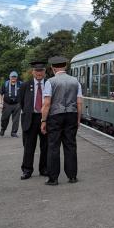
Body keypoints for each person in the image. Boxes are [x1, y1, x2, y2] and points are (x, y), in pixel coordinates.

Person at [41, 56, 82, 185]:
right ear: (65, 66)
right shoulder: (75, 81)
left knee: (53, 146)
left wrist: (43, 120)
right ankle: (72, 176)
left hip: (55, 116)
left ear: (53, 68)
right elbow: (79, 102)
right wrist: (78, 119)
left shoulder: (50, 82)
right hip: (71, 115)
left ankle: (53, 178)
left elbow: (47, 103)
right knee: (70, 145)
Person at [19, 60, 49, 179]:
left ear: (45, 72)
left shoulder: (49, 84)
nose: (39, 73)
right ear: (33, 72)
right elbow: (22, 102)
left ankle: (44, 168)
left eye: (41, 70)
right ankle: (27, 170)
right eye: (37, 71)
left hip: (45, 118)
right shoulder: (25, 85)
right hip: (30, 118)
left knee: (45, 145)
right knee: (29, 146)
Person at [0, 71, 22, 137]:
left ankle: (14, 132)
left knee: (16, 119)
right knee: (4, 119)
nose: (13, 78)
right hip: (7, 104)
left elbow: (25, 93)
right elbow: (0, 93)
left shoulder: (20, 84)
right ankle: (3, 129)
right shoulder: (5, 84)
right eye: (12, 77)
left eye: (15, 77)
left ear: (17, 77)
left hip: (17, 104)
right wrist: (0, 103)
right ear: (9, 77)